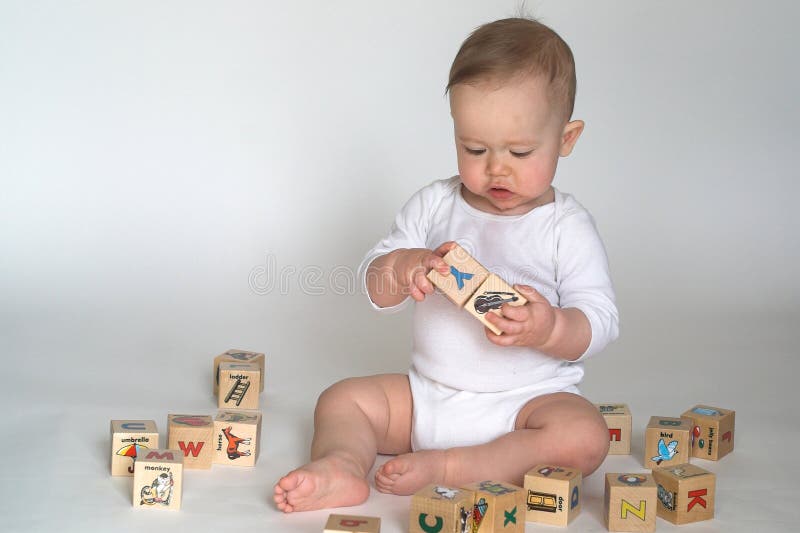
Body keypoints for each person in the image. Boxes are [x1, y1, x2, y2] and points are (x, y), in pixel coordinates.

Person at [274, 16, 619, 513]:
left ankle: (451, 468)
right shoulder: (436, 205)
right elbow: (374, 283)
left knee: (584, 436)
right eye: (474, 149)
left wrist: (551, 328)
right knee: (341, 399)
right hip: (424, 398)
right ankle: (343, 466)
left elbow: (602, 320)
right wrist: (404, 267)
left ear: (566, 139)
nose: (496, 168)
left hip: (527, 407)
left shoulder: (566, 226)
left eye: (520, 151)